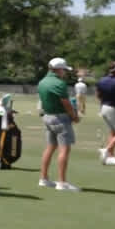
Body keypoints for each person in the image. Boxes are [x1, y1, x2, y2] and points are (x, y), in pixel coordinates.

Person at [37, 57, 81, 191]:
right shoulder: (59, 83)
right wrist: (74, 116)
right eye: (64, 70)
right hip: (60, 118)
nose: (65, 72)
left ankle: (43, 178)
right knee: (64, 149)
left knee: (50, 147)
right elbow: (66, 103)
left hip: (47, 116)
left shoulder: (42, 81)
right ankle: (62, 182)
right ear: (58, 69)